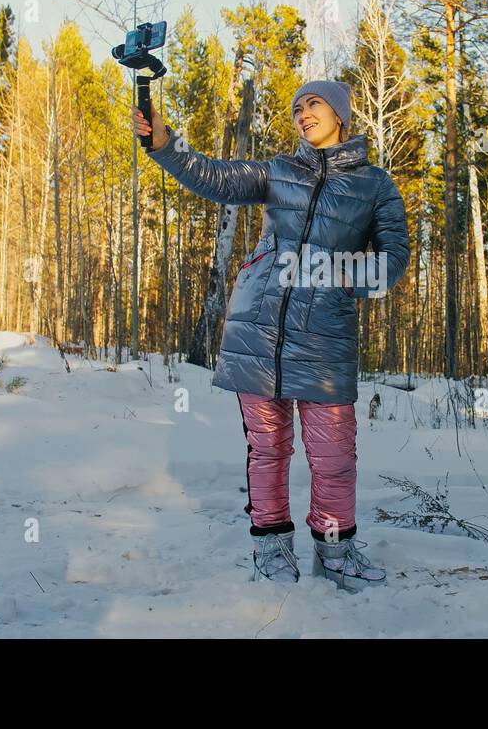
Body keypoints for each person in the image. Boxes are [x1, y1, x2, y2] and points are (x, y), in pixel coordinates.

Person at [131, 79, 410, 592]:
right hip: (256, 330)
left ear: (341, 113)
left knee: (333, 456)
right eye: (298, 107)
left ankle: (336, 551)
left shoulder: (375, 185)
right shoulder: (278, 172)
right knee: (267, 449)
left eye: (315, 104)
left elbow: (393, 261)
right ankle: (271, 548)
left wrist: (334, 275)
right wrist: (165, 144)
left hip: (324, 338)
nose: (303, 114)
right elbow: (213, 175)